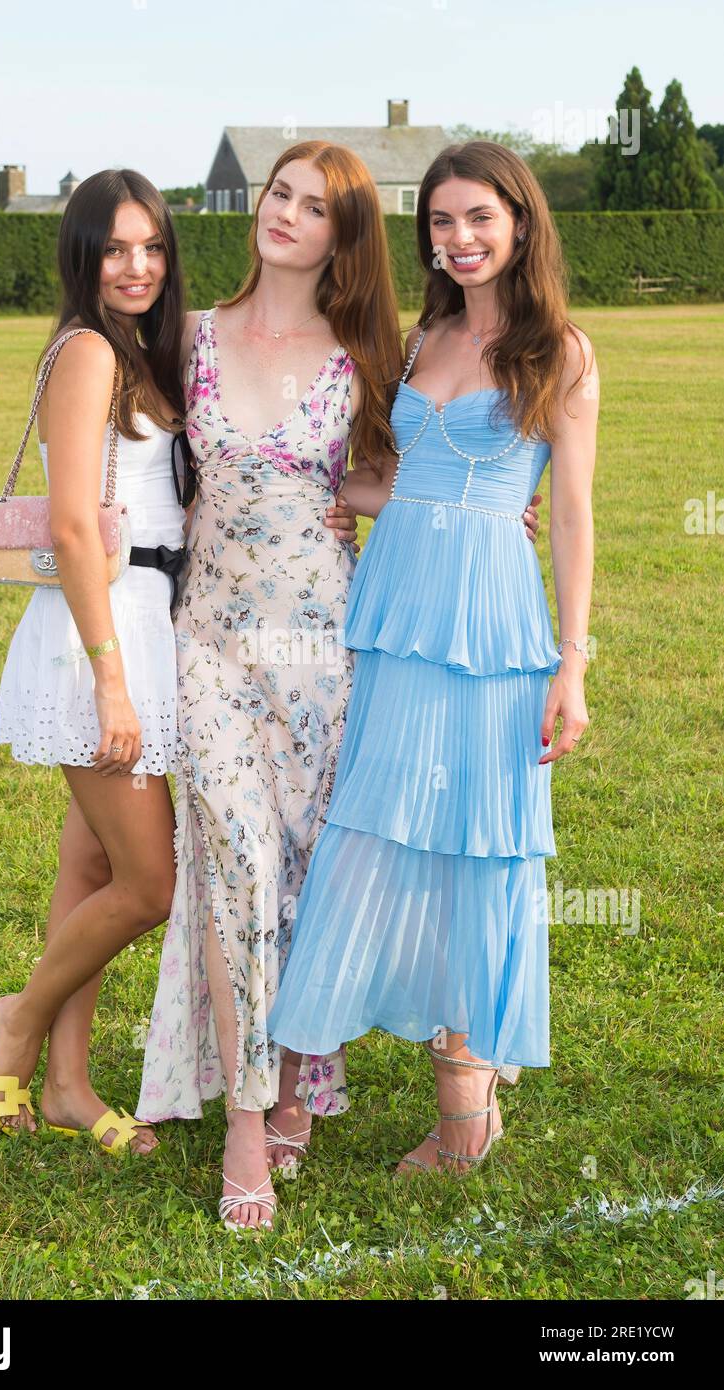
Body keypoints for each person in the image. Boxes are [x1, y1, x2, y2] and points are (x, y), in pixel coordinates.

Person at [133, 142, 545, 1228]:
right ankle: (242, 1121)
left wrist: (489, 512)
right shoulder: (187, 339)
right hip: (211, 642)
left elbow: (396, 473)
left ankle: (304, 1093)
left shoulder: (373, 354)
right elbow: (129, 450)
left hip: (328, 645)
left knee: (313, 867)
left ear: (342, 237)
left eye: (315, 207)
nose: (286, 215)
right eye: (278, 193)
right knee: (234, 865)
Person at [269, 140, 597, 1178]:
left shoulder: (563, 354)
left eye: (478, 219)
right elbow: (395, 482)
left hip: (492, 627)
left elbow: (575, 514)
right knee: (371, 827)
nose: (458, 240)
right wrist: (327, 492)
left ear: (519, 222)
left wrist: (572, 663)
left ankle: (466, 1105)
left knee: (475, 846)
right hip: (397, 611)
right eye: (441, 224)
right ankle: (296, 1083)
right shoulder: (422, 341)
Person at [0, 169, 188, 1154]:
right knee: (151, 883)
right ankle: (17, 1016)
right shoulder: (89, 350)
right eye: (114, 248)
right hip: (100, 631)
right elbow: (70, 527)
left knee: (91, 860)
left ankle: (65, 1086)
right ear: (83, 256)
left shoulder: (135, 346)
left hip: (142, 617)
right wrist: (109, 677)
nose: (135, 266)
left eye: (151, 247)